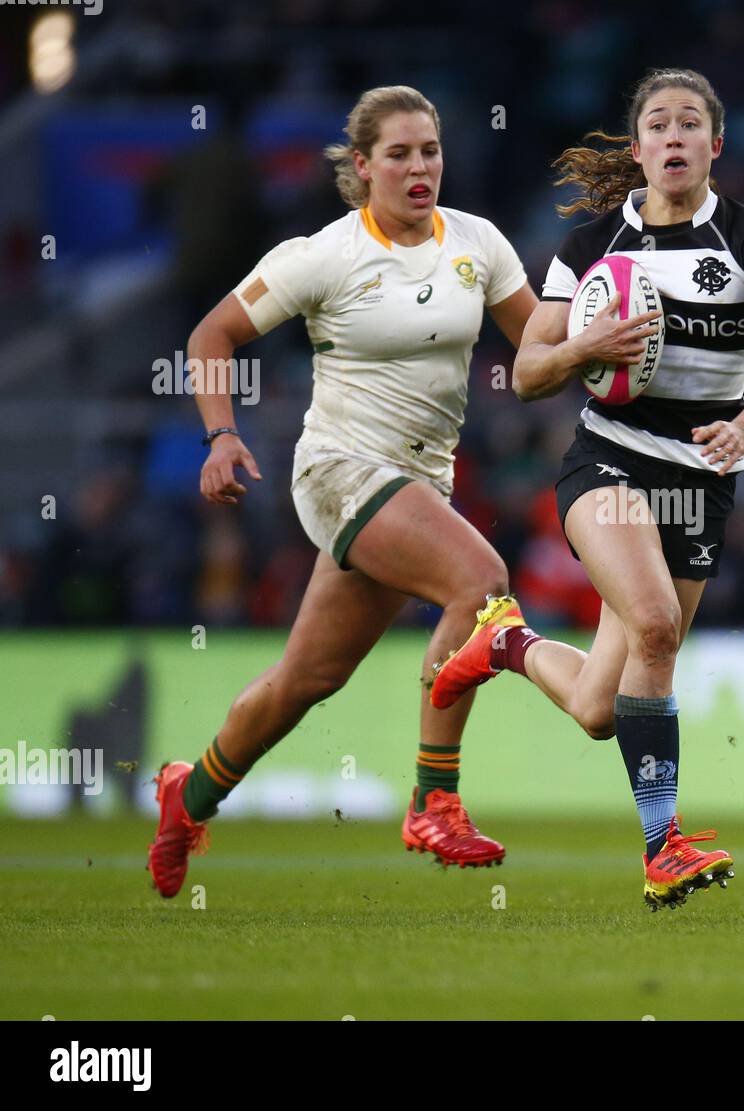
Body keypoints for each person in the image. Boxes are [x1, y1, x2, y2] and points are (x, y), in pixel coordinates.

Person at [431, 68, 744, 909]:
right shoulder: (588, 249)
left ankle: (506, 645)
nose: (673, 137)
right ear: (637, 148)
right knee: (654, 623)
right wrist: (583, 346)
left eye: (690, 124)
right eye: (658, 125)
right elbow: (528, 370)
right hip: (608, 461)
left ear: (716, 145)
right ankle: (661, 844)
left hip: (705, 478)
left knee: (603, 707)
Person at [147, 86, 539, 898]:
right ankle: (435, 796)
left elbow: (537, 355)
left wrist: (600, 343)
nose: (418, 166)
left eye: (429, 150)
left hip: (417, 486)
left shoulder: (479, 243)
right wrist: (221, 435)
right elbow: (211, 333)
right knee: (483, 582)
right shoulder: (324, 254)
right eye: (398, 154)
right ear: (362, 167)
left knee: (305, 679)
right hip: (339, 472)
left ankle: (188, 795)